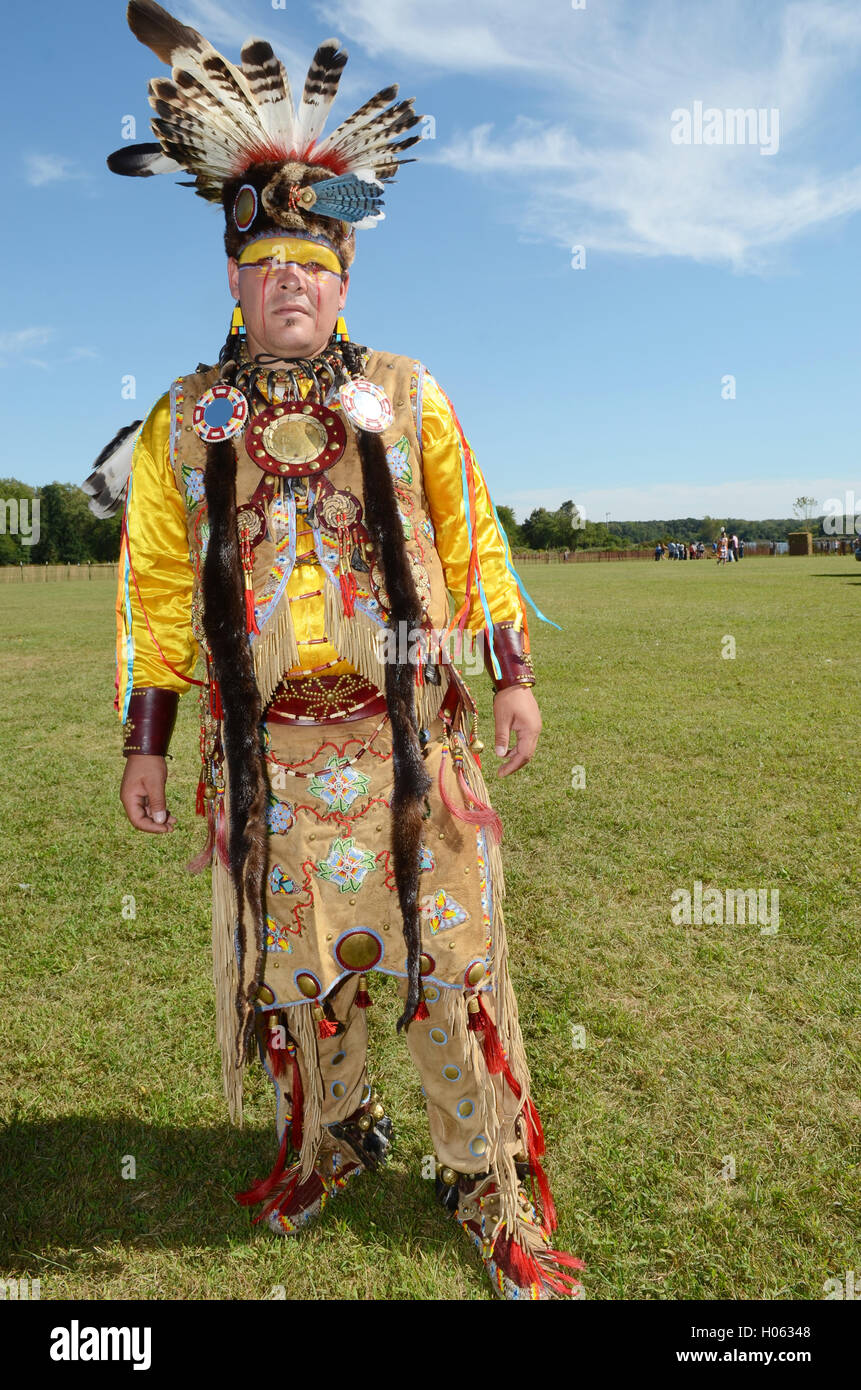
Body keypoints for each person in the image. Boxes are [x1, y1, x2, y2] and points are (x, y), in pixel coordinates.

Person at [86, 0, 583, 1302]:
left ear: (344, 277)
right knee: (303, 975)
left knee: (451, 971)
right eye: (264, 266)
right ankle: (333, 1138)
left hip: (413, 742)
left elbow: (475, 538)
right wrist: (148, 739)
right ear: (235, 281)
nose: (288, 280)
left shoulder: (412, 394)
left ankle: (487, 1184)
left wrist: (514, 672)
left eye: (311, 262)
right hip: (269, 763)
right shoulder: (182, 420)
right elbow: (151, 588)